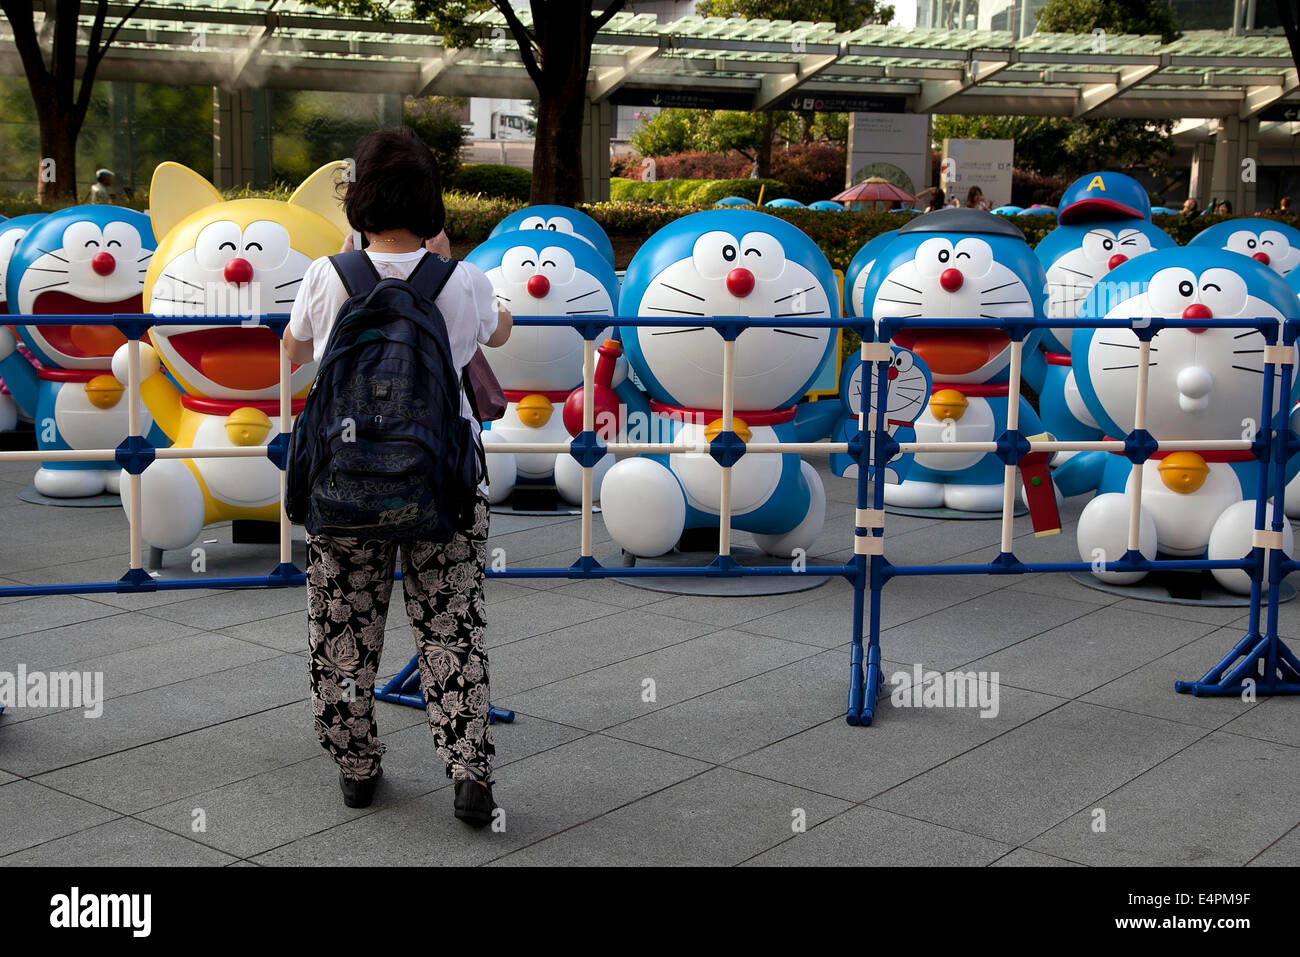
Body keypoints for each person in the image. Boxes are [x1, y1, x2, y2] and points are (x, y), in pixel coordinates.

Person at [282, 126, 512, 825]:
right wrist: (445, 266)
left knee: (341, 630)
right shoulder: (461, 280)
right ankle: (468, 769)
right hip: (442, 487)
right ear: (432, 205)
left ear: (361, 203)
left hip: (345, 487)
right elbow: (499, 332)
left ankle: (357, 765)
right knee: (452, 630)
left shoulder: (329, 276)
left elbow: (293, 344)